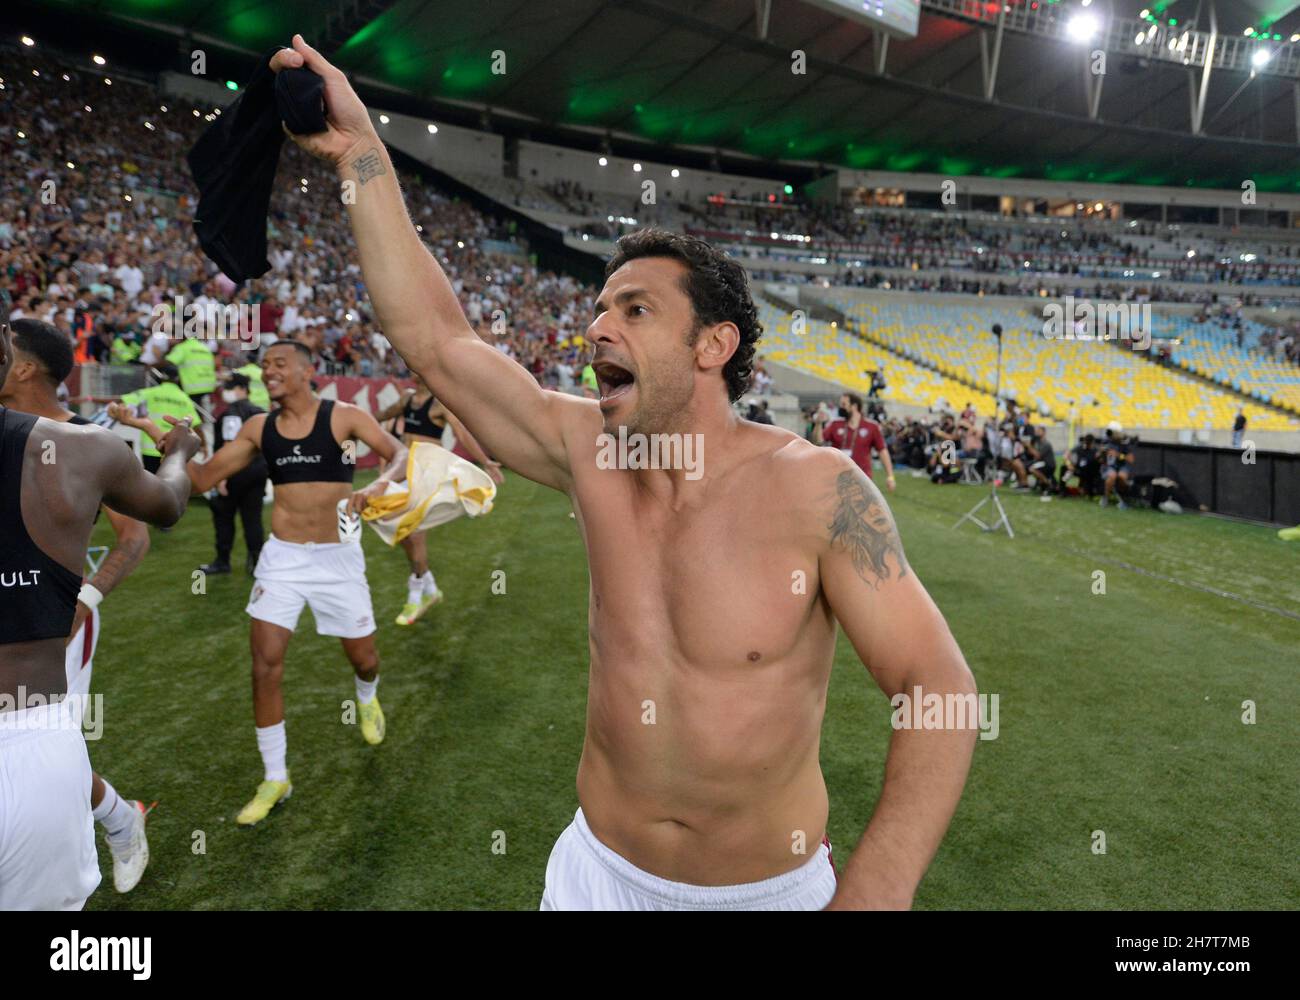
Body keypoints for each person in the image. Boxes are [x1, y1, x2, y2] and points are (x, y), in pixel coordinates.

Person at [272, 35, 976, 910]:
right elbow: (436, 341)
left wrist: (877, 888)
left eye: (634, 310)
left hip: (769, 892)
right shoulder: (588, 451)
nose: (598, 329)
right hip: (597, 877)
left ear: (714, 346)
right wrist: (362, 153)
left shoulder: (820, 489)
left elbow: (938, 684)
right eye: (598, 309)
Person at [113, 340, 408, 826]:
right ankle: (276, 776)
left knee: (366, 658)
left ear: (306, 370)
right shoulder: (258, 427)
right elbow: (203, 479)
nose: (268, 372)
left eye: (278, 365)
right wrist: (157, 436)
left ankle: (366, 694)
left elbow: (397, 453)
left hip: (340, 558)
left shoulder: (345, 417)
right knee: (264, 664)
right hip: (283, 560)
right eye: (265, 366)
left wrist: (380, 483)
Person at [0, 307, 200, 910]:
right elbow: (167, 501)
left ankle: (116, 818)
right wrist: (182, 450)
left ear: (21, 364)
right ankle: (118, 816)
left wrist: (85, 601)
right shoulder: (87, 448)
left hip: (58, 630)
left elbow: (137, 534)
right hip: (30, 714)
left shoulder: (82, 444)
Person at [374, 374, 502, 626]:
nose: (413, 368)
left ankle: (415, 596)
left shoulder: (438, 404)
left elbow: (462, 434)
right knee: (399, 530)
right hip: (403, 472)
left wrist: (486, 462)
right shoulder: (407, 400)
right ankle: (430, 587)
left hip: (426, 475)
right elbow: (378, 418)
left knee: (415, 534)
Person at [200, 373, 268, 576]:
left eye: (229, 387)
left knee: (223, 517)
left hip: (235, 472)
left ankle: (222, 561)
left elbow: (230, 446)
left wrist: (221, 477)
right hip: (257, 471)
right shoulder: (260, 412)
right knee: (253, 519)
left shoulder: (232, 412)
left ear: (240, 389)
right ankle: (256, 563)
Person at [118, 363, 201, 473]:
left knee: (152, 480)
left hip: (149, 448)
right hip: (173, 449)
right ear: (178, 378)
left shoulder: (150, 392)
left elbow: (123, 400)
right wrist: (203, 445)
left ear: (161, 376)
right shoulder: (184, 398)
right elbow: (196, 424)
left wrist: (92, 399)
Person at [813, 392, 896, 492]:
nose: (841, 408)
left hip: (863, 479)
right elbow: (818, 442)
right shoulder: (835, 424)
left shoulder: (871, 426)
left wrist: (890, 476)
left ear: (854, 406)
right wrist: (818, 424)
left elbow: (882, 451)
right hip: (837, 478)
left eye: (844, 404)